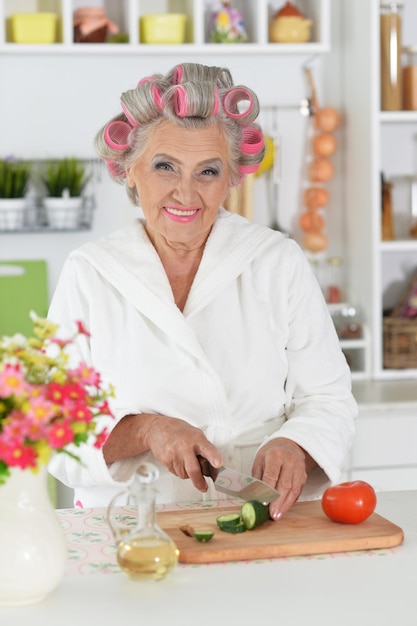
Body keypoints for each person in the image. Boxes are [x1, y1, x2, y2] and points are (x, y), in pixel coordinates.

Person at [48, 62, 357, 519]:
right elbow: (52, 427)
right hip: (132, 526)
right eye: (164, 167)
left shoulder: (275, 260)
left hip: (263, 518)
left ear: (232, 177)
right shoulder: (91, 272)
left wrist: (295, 444)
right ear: (129, 171)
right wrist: (148, 430)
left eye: (207, 172)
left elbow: (329, 399)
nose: (185, 194)